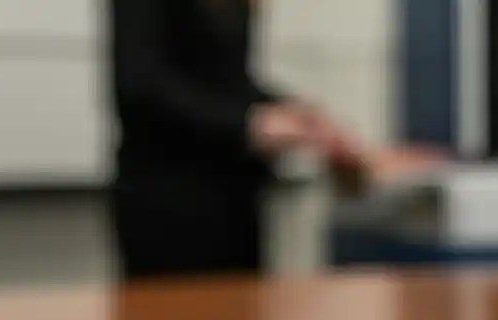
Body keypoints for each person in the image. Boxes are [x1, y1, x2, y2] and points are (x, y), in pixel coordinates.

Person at [107, 0, 382, 278]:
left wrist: (298, 114)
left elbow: (230, 81)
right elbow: (138, 84)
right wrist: (250, 124)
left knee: (240, 313)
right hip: (169, 199)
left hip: (234, 196)